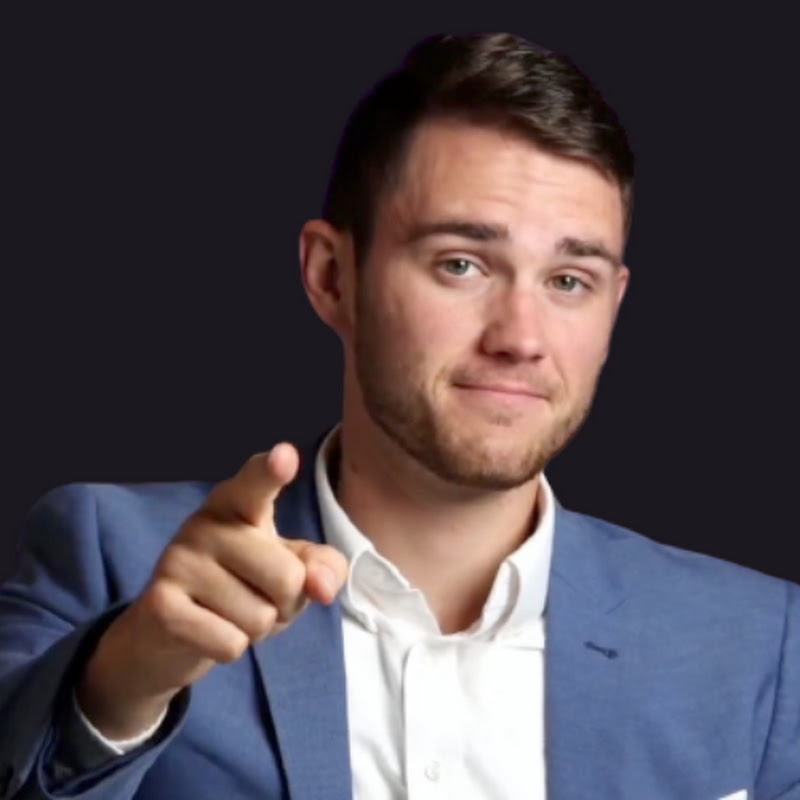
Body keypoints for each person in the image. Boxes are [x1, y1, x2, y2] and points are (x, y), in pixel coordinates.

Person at [0, 30, 796, 800]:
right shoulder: (111, 562)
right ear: (332, 277)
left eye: (568, 281)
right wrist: (122, 685)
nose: (521, 338)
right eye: (462, 264)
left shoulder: (760, 644)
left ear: (613, 303)